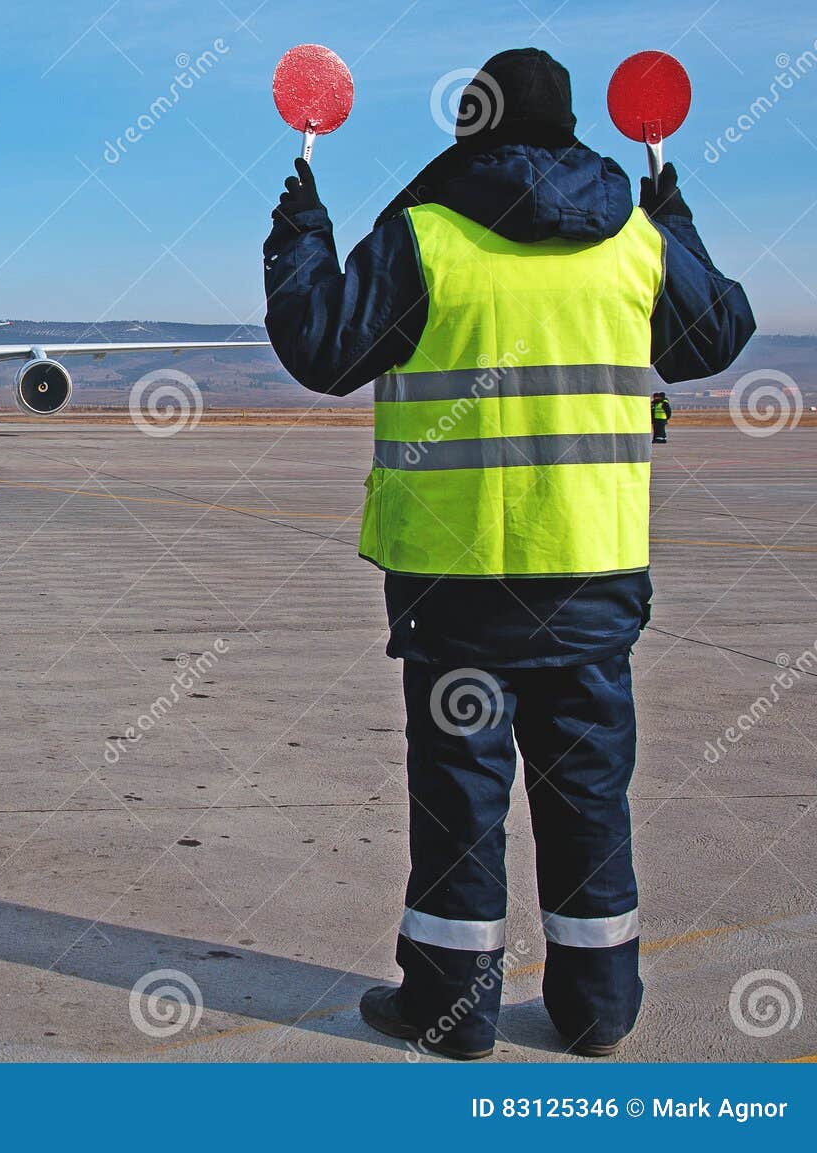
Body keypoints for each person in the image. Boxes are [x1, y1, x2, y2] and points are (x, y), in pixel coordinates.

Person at [262, 48, 753, 1059]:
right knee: (587, 797)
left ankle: (452, 1012)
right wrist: (673, 215)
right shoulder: (631, 241)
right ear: (572, 126)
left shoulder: (425, 235)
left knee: (460, 802)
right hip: (590, 575)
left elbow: (320, 346)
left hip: (458, 585)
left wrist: (299, 230)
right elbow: (717, 333)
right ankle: (598, 1008)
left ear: (470, 122)